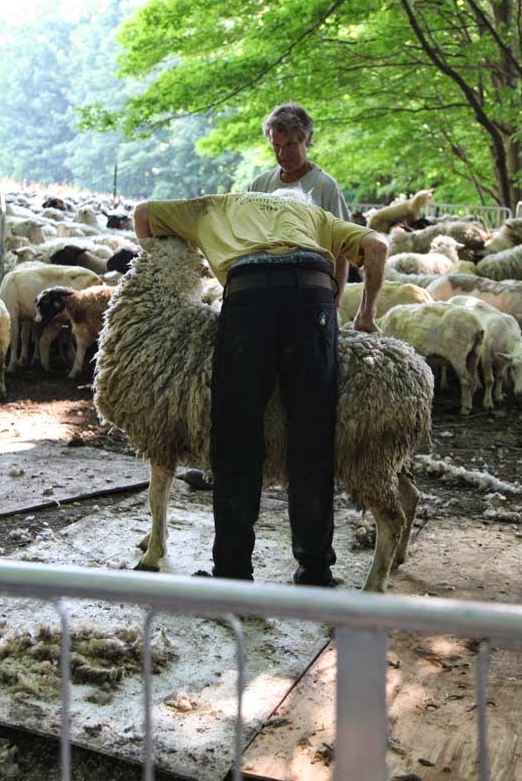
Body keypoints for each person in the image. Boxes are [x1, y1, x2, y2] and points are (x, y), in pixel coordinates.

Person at [134, 189, 388, 586]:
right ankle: (315, 570)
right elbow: (376, 245)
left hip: (249, 296)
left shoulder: (217, 205)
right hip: (312, 297)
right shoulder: (315, 215)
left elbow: (144, 214)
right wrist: (366, 314)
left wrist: (168, 269)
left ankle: (233, 574)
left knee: (235, 438)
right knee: (312, 435)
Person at [249, 102, 351, 304]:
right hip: (264, 286)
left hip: (311, 289)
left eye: (290, 145)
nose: (282, 155)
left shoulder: (325, 186)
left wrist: (334, 301)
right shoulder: (259, 184)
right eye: (275, 146)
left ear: (308, 140)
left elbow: (341, 248)